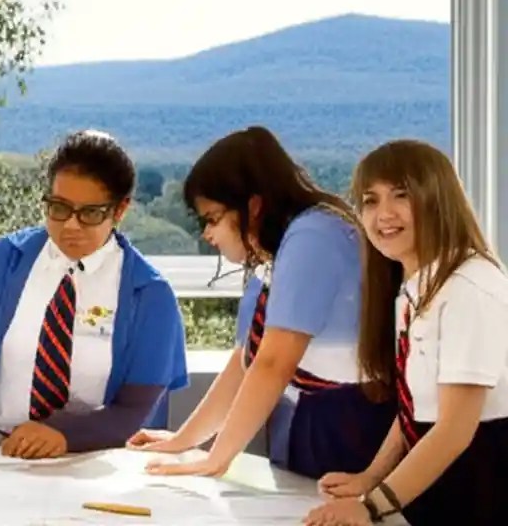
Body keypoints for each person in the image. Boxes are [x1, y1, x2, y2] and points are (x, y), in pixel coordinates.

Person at [129, 126, 393, 479]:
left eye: (213, 219)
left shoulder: (314, 236)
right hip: (302, 417)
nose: (208, 235)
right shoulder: (272, 258)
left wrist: (215, 459)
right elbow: (245, 363)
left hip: (351, 421)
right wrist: (184, 441)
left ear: (253, 206)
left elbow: (273, 362)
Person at [0, 130, 188, 459]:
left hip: (93, 461)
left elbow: (135, 409)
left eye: (89, 214)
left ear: (120, 209)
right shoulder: (2, 262)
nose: (71, 225)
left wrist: (63, 435)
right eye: (59, 207)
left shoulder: (150, 295)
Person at [306, 140, 508, 526]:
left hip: (482, 488)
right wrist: (370, 478)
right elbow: (415, 406)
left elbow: (453, 430)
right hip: (438, 486)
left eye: (401, 195)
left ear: (437, 199)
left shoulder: (469, 288)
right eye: (370, 200)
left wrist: (369, 507)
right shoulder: (415, 289)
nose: (384, 214)